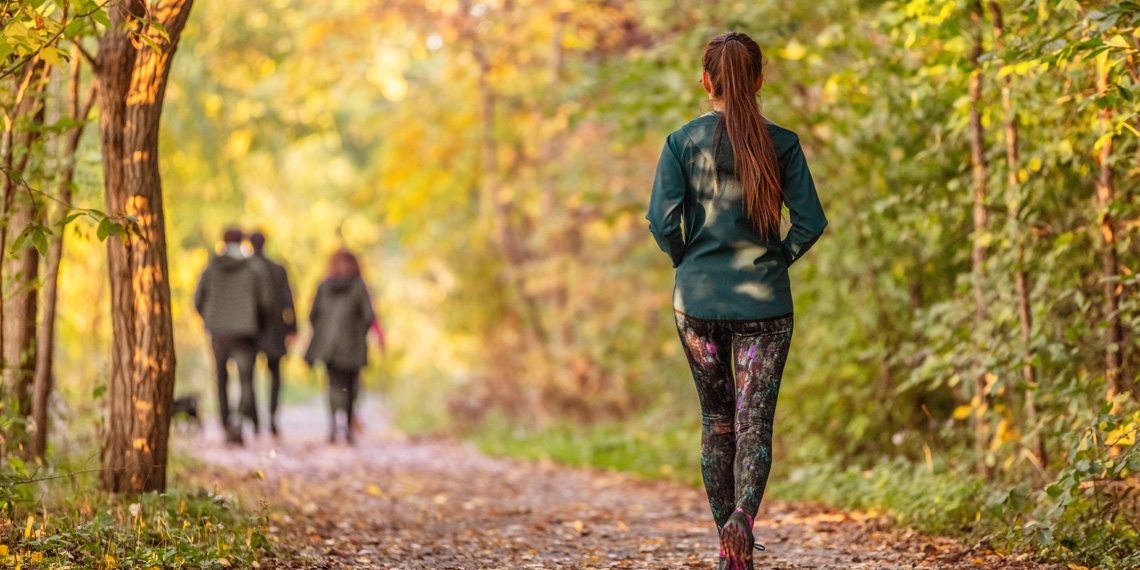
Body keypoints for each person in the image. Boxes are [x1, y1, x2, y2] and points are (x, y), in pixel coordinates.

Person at [646, 32, 827, 570]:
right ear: (759, 80)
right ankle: (743, 518)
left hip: (697, 304)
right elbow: (810, 222)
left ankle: (731, 554)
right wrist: (776, 260)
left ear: (707, 82)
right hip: (765, 305)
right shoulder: (782, 143)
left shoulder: (681, 142)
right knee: (755, 423)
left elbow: (662, 223)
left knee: (716, 421)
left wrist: (686, 260)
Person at [194, 227, 274, 445]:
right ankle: (238, 420)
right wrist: (256, 323)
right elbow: (266, 302)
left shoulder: (212, 267)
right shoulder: (254, 267)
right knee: (246, 380)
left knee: (221, 379)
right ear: (242, 241)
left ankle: (225, 424)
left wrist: (211, 319)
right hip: (245, 333)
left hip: (219, 333)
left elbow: (198, 299)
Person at [304, 249, 375, 445]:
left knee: (333, 385)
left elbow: (313, 315)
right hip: (353, 344)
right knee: (352, 386)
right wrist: (359, 332)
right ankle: (349, 427)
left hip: (329, 346)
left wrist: (323, 332)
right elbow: (369, 316)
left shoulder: (324, 286)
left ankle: (334, 425)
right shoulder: (359, 286)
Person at [248, 231, 297, 437]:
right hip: (276, 329)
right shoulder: (278, 269)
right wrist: (292, 328)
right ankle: (273, 418)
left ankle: (255, 421)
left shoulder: (246, 267)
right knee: (275, 374)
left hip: (250, 329)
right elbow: (288, 300)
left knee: (248, 376)